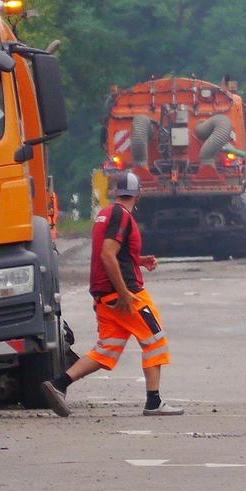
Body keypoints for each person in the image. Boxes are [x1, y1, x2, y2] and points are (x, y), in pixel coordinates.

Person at [43, 170, 184, 417]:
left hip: (104, 296)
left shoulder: (105, 214)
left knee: (107, 349)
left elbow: (114, 254)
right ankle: (154, 402)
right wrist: (125, 294)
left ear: (115, 192)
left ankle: (59, 384)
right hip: (125, 294)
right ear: (138, 194)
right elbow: (108, 255)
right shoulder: (122, 216)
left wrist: (138, 260)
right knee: (155, 340)